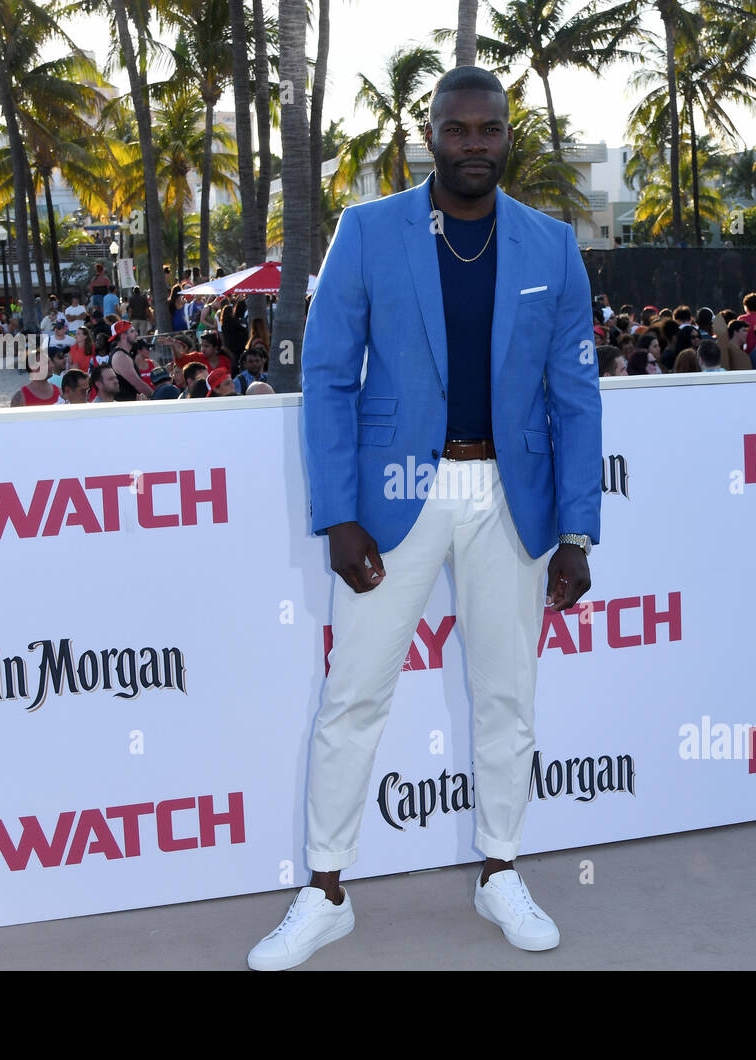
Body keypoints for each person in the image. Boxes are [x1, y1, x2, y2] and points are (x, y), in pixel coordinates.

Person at [248, 66, 600, 972]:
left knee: (506, 697)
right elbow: (326, 377)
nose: (473, 144)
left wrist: (577, 529)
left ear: (508, 135)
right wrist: (338, 515)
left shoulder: (552, 246)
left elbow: (576, 393)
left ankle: (500, 871)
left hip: (509, 501)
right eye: (458, 129)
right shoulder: (367, 233)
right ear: (431, 133)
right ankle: (325, 892)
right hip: (392, 498)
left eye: (489, 130)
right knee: (354, 695)